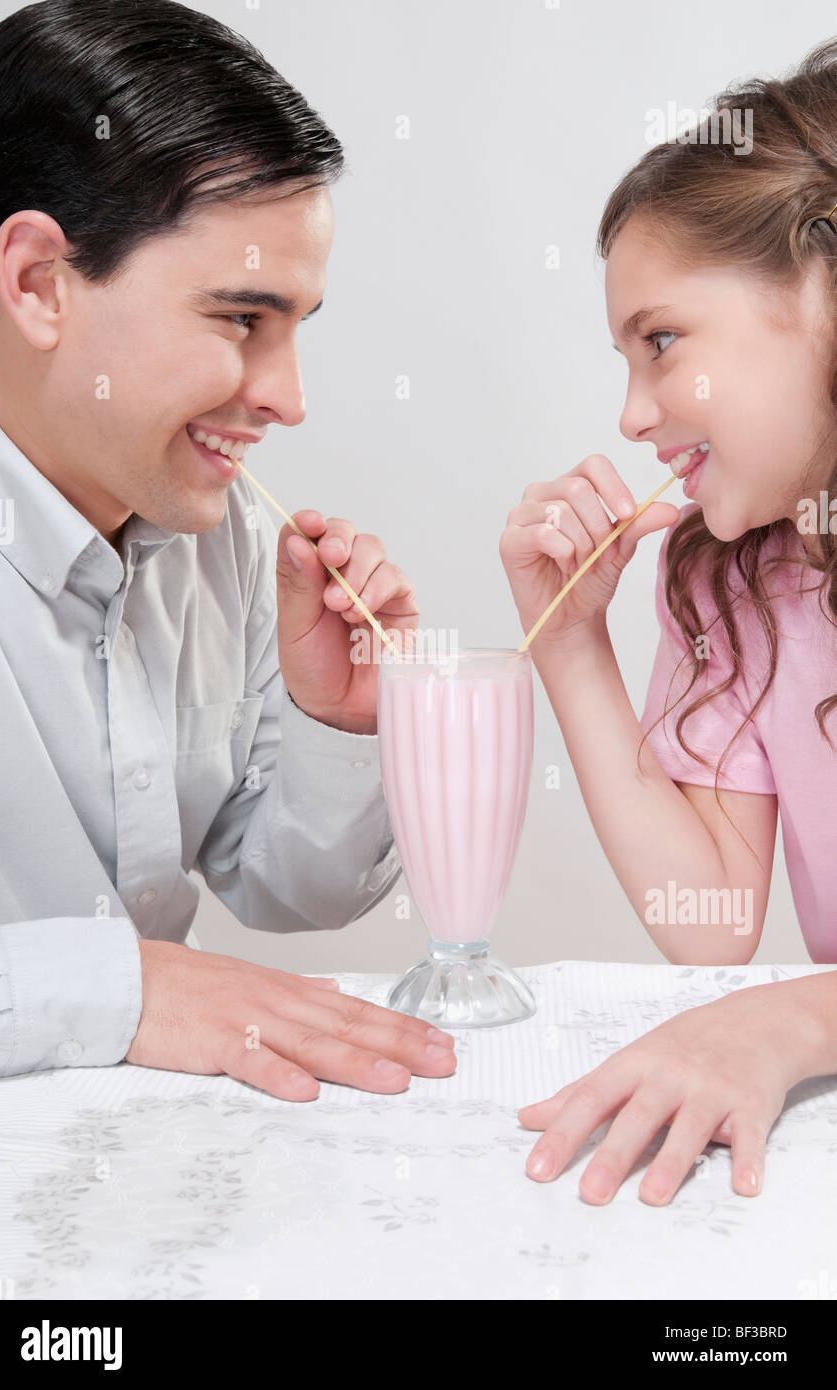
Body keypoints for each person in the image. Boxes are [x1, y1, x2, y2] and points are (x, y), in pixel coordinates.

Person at [0, 0, 457, 1094]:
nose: (286, 398)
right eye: (241, 319)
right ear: (40, 281)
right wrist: (125, 988)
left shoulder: (213, 531)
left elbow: (287, 890)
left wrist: (335, 721)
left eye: (296, 327)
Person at [501, 37, 837, 1206]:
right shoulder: (737, 581)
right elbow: (707, 926)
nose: (632, 414)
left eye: (660, 341)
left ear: (819, 286)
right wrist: (566, 639)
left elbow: (761, 995)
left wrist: (789, 1023)